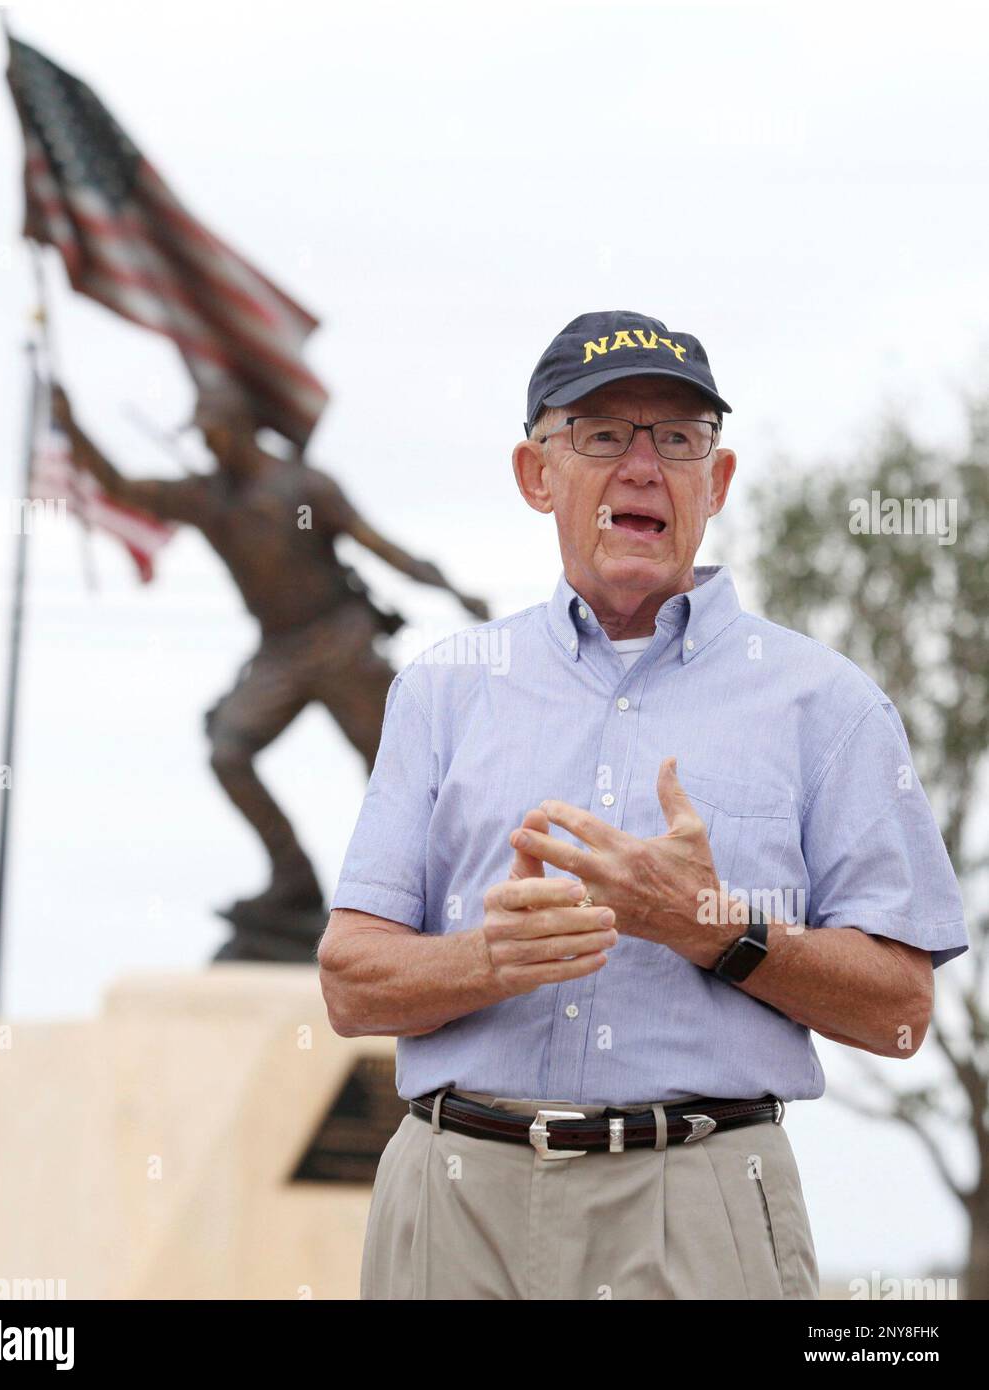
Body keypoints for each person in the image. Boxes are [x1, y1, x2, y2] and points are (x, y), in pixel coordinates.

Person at [317, 309, 970, 1301]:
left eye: (675, 437)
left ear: (716, 480)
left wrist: (711, 928)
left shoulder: (828, 704)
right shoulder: (442, 689)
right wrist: (486, 961)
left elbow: (898, 1013)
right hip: (454, 1203)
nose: (641, 466)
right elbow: (350, 984)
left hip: (698, 1201)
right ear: (536, 474)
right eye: (602, 434)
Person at [49, 380, 488, 960]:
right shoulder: (209, 498)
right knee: (228, 750)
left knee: (392, 772)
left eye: (213, 434)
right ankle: (294, 881)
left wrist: (453, 591)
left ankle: (418, 892)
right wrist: (70, 421)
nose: (208, 447)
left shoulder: (305, 487)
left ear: (239, 428)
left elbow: (379, 545)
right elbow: (122, 487)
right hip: (280, 651)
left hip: (341, 641)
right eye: (201, 438)